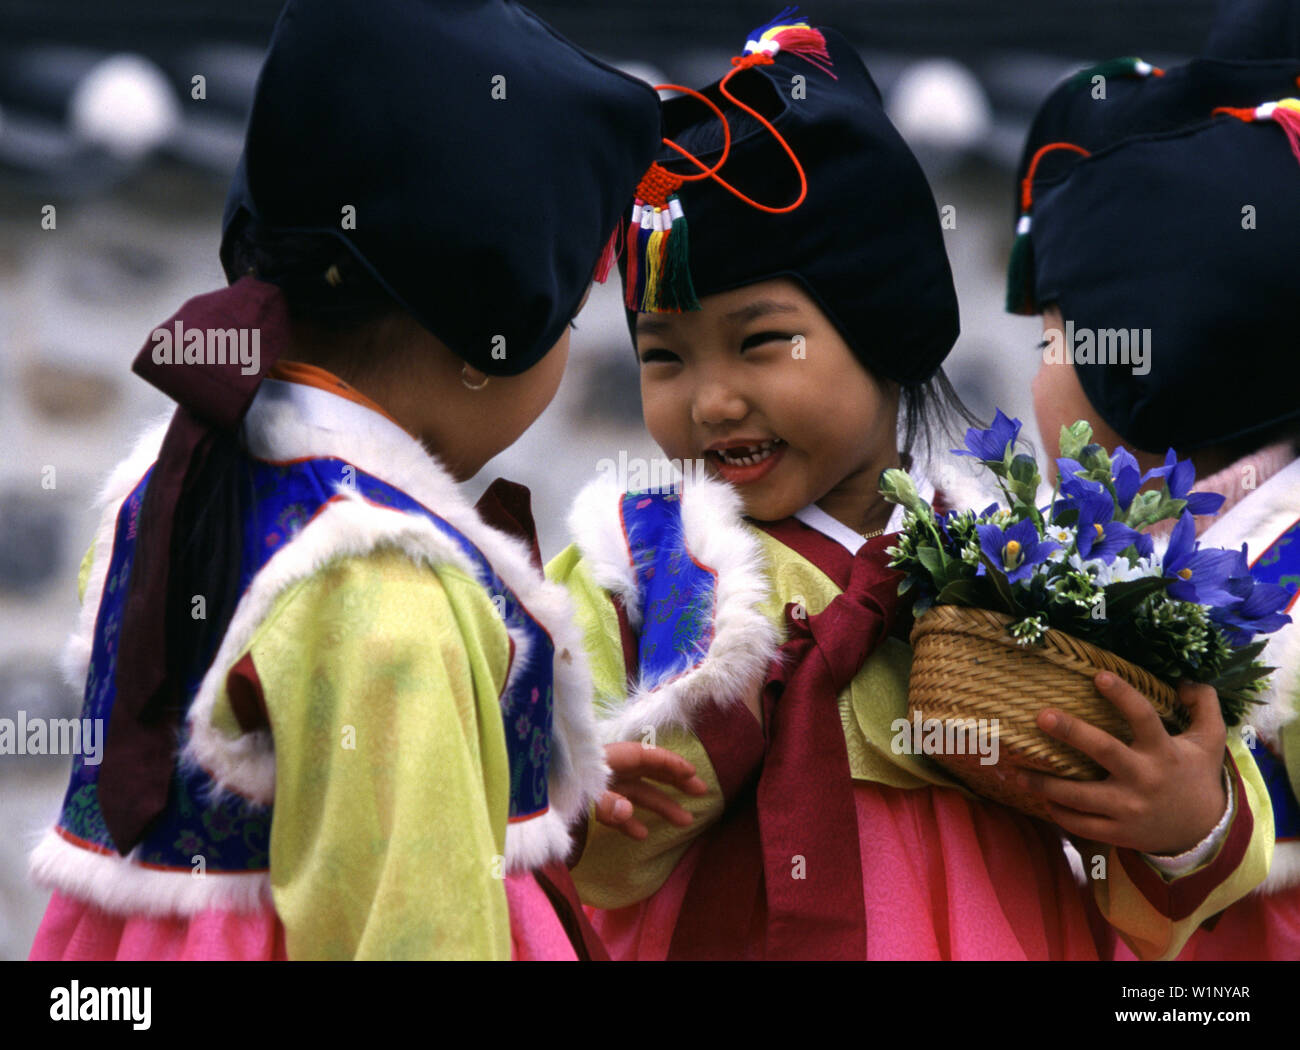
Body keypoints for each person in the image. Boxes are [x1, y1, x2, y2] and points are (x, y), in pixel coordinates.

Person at [548, 11, 1273, 960]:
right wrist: (583, 798)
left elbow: (1141, 868)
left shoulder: (1022, 569)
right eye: (664, 357)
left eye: (761, 342)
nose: (712, 401)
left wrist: (1185, 820)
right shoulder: (641, 571)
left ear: (885, 327)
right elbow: (555, 826)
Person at [27, 0, 661, 960]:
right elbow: (417, 930)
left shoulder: (173, 484)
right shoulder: (384, 580)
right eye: (566, 316)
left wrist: (504, 766)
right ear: (496, 332)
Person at [1006, 0, 1300, 959]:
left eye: (1052, 343)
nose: (1036, 381)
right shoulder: (1062, 551)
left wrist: (1201, 826)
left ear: (1154, 368)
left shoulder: (1285, 576)